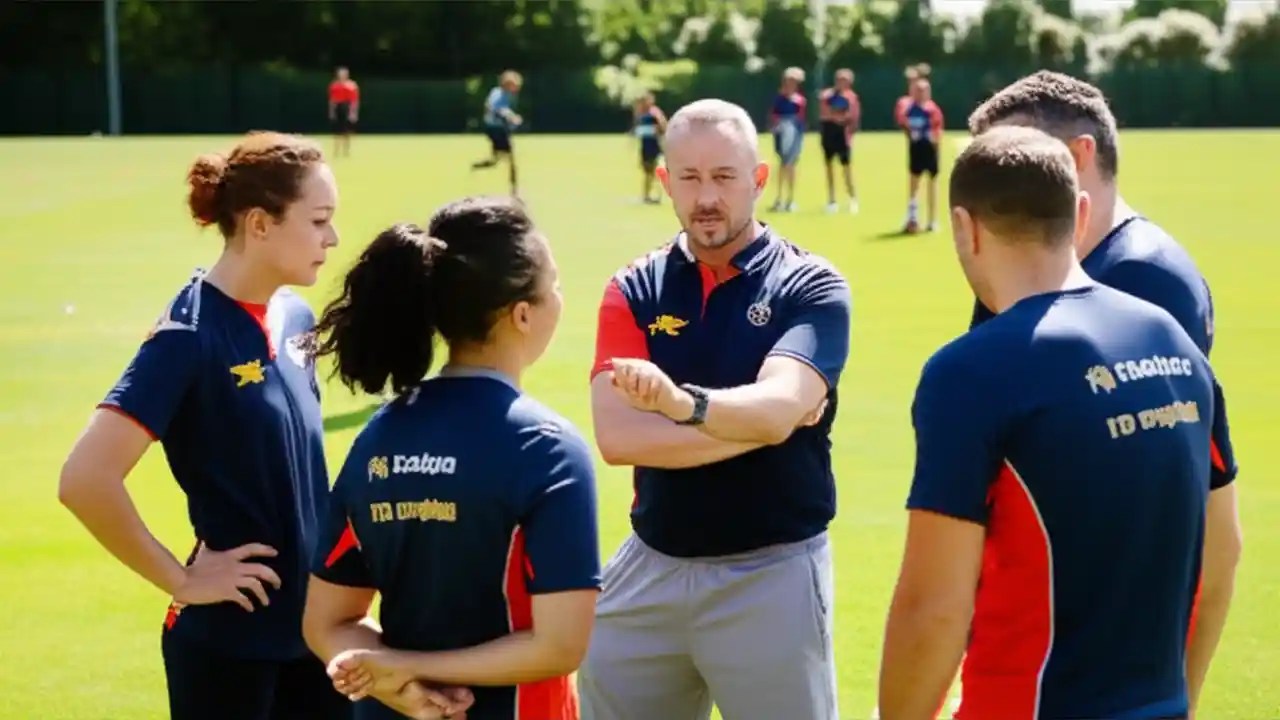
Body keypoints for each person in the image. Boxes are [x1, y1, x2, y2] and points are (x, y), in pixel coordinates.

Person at [880, 125, 1220, 720]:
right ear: (1080, 213)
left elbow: (933, 608)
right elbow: (1222, 552)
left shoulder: (970, 371)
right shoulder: (1170, 338)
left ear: (965, 226)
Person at [966, 71, 1241, 713]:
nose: (992, 189)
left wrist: (1179, 693)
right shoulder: (1029, 262)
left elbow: (1186, 521)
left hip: (1078, 666)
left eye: (1011, 159)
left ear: (1080, 156)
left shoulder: (1144, 281)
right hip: (1019, 640)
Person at [58, 132, 349, 720]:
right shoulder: (188, 333)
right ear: (259, 225)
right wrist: (180, 578)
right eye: (318, 220)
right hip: (229, 650)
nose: (332, 238)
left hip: (316, 641)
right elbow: (85, 479)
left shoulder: (296, 316)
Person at [578, 99, 851, 720]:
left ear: (758, 180)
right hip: (651, 565)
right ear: (664, 181)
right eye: (690, 178)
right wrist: (763, 425)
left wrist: (679, 404)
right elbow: (619, 436)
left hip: (772, 570)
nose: (707, 196)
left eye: (724, 177)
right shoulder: (633, 287)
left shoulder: (811, 285)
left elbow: (781, 401)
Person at [302, 197, 601, 720]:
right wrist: (402, 670)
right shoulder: (549, 449)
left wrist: (400, 678)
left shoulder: (378, 436)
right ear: (523, 314)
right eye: (553, 284)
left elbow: (326, 624)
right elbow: (560, 646)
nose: (560, 294)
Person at [472, 71, 524, 197]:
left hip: (497, 129)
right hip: (496, 129)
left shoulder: (498, 92)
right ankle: (514, 189)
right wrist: (512, 117)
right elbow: (498, 109)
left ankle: (477, 166)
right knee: (510, 159)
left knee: (498, 159)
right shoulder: (500, 94)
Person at [902, 78, 944, 233]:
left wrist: (932, 139)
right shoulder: (909, 109)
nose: (920, 94)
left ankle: (932, 220)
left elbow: (938, 130)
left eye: (923, 90)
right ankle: (912, 217)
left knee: (932, 183)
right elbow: (905, 126)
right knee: (914, 183)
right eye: (917, 91)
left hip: (930, 149)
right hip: (916, 149)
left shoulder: (933, 110)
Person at [818, 68, 861, 214]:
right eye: (840, 80)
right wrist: (836, 117)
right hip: (829, 133)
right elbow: (824, 113)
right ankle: (831, 200)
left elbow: (853, 116)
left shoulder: (851, 97)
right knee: (829, 167)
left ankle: (852, 199)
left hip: (843, 135)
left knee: (847, 168)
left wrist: (844, 120)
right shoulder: (827, 96)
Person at [768, 66, 808, 212]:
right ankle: (779, 198)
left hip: (794, 134)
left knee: (791, 165)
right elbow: (774, 115)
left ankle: (790, 199)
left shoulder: (799, 100)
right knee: (782, 164)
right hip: (780, 133)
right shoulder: (779, 99)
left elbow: (801, 118)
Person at [633, 92, 668, 204]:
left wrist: (659, 131)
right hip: (645, 144)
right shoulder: (641, 114)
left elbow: (663, 125)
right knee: (647, 170)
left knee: (653, 169)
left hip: (653, 143)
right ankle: (647, 195)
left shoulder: (654, 113)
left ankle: (655, 195)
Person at [329, 67, 360, 158]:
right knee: (337, 132)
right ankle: (336, 151)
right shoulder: (334, 85)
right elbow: (332, 101)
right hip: (338, 108)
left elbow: (354, 101)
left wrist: (353, 113)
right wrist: (331, 112)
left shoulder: (352, 85)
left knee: (347, 131)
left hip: (347, 107)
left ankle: (346, 151)